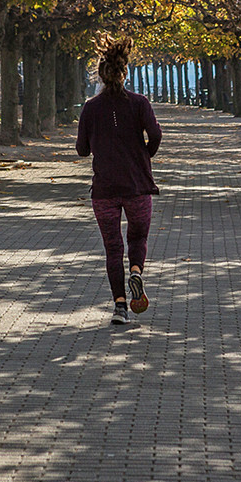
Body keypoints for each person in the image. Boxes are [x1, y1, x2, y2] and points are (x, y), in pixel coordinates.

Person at [76, 37, 162, 325]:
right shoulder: (139, 103)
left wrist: (99, 144)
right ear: (125, 72)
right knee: (137, 237)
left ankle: (120, 307)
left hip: (104, 189)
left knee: (113, 248)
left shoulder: (91, 108)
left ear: (101, 75)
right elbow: (156, 135)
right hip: (137, 186)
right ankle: (136, 271)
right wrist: (144, 156)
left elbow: (81, 149)